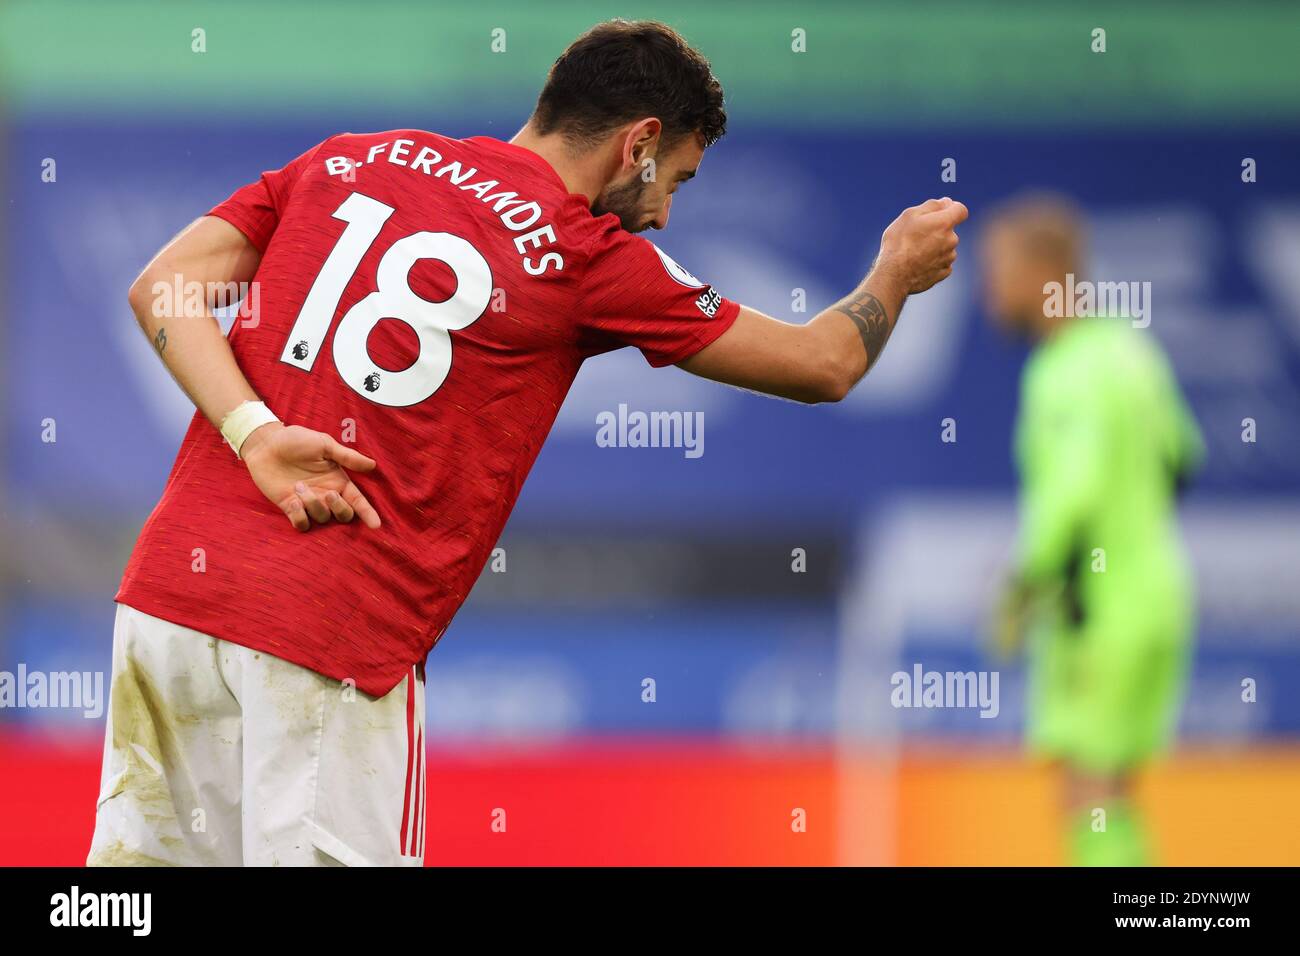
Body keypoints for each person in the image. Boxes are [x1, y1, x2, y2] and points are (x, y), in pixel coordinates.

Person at [90, 18, 967, 866]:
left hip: (169, 601)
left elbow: (162, 287)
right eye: (677, 180)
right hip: (330, 638)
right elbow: (826, 362)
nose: (662, 215)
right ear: (640, 142)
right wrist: (894, 270)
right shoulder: (583, 253)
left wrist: (254, 434)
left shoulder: (352, 157)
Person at [981, 192, 1203, 866]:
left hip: (1097, 613)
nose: (991, 294)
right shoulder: (1132, 352)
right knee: (1115, 796)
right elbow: (1182, 458)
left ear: (1045, 273)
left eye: (999, 273)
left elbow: (1070, 498)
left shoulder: (1066, 367)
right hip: (1160, 598)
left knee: (1089, 794)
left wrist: (1022, 590)